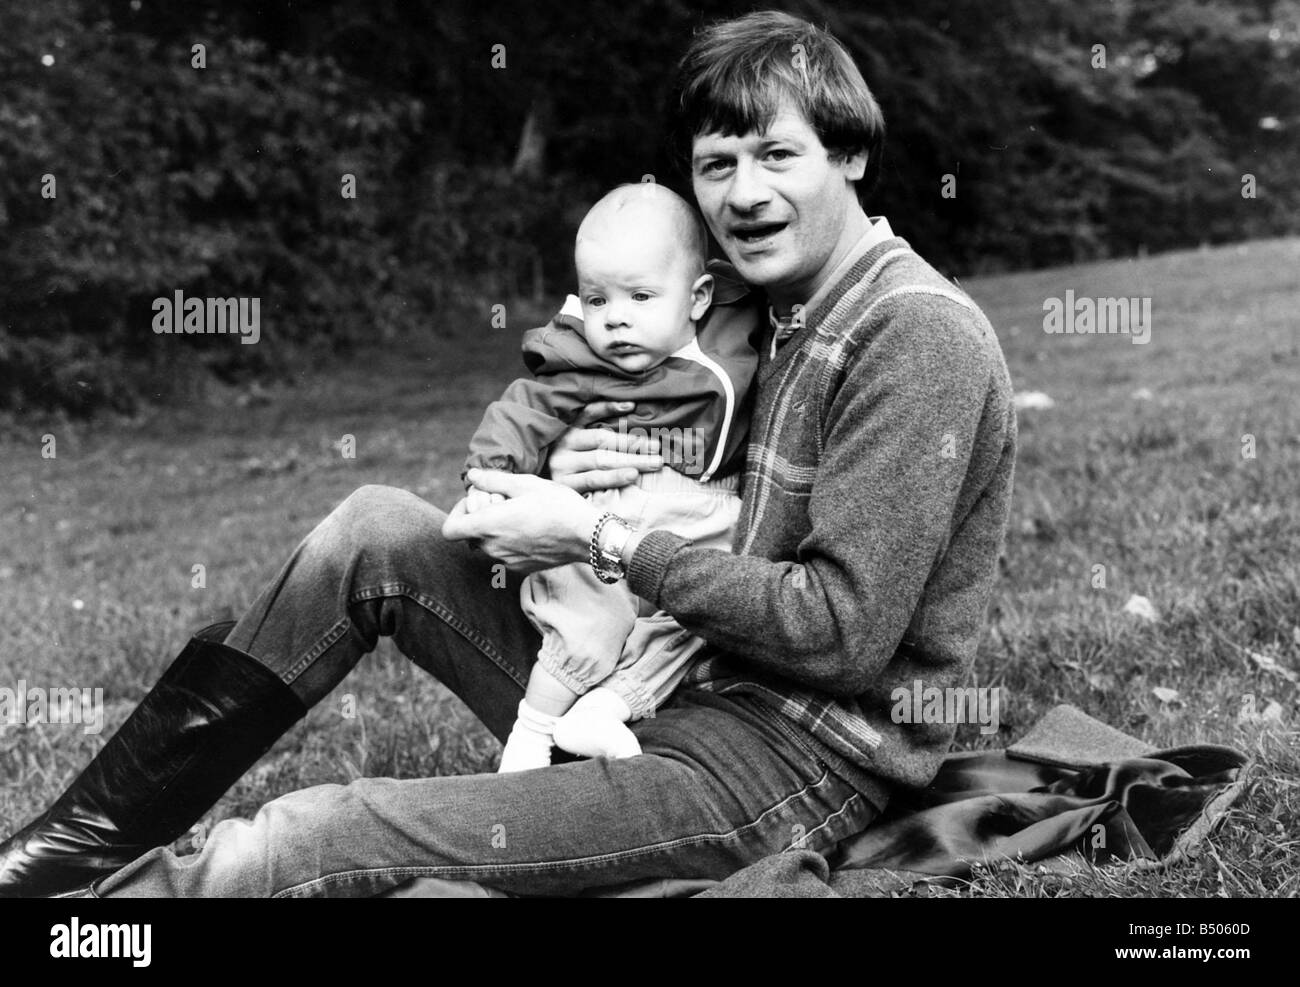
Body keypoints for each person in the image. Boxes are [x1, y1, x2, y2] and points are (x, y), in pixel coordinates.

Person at [0, 8, 1016, 898]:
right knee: (376, 530)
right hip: (651, 667)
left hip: (783, 759)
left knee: (324, 832)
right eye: (717, 163)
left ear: (850, 156)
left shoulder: (913, 331)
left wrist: (597, 533)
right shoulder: (767, 310)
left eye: (776, 155)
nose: (743, 192)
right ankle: (64, 854)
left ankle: (93, 926)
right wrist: (563, 476)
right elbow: (628, 405)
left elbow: (840, 633)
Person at [469, 183, 760, 772]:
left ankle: (605, 709)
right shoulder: (585, 359)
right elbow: (524, 407)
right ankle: (532, 733)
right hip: (607, 506)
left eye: (641, 296)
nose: (617, 318)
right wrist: (491, 475)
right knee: (588, 618)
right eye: (597, 300)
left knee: (702, 622)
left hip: (699, 520)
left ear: (699, 296)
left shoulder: (736, 334)